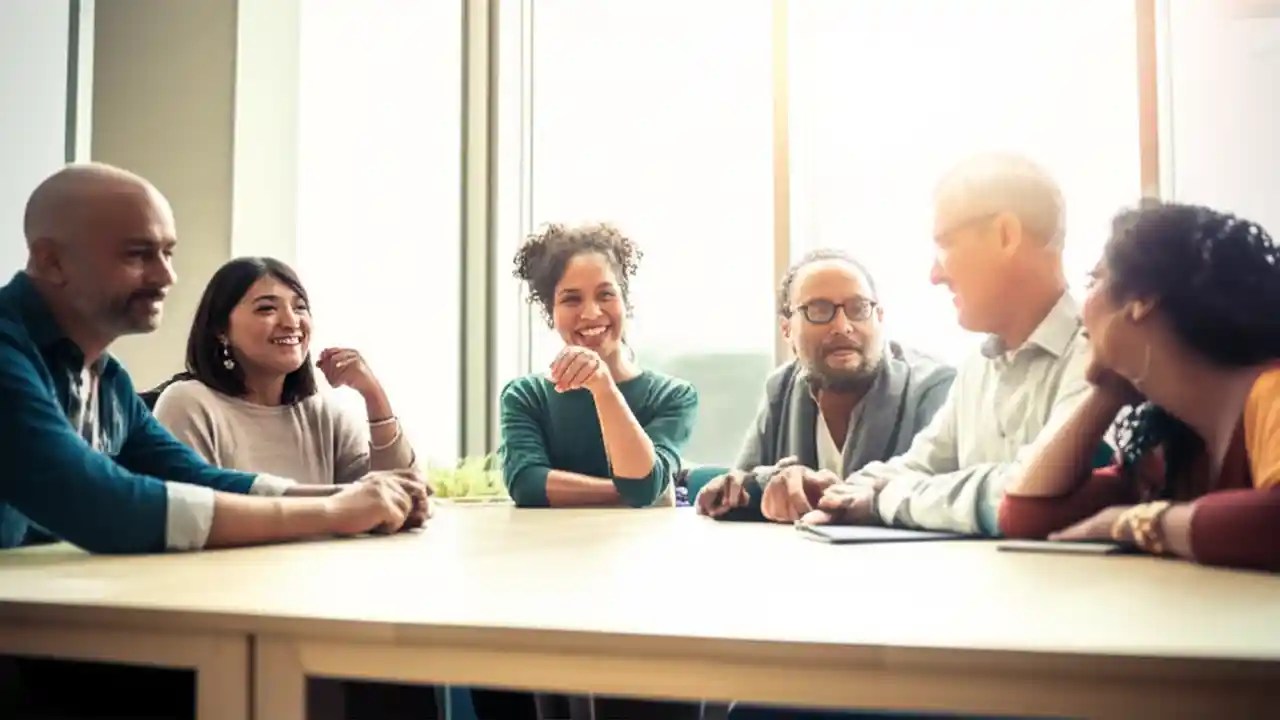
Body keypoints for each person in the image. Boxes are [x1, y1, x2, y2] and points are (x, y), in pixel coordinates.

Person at [0, 163, 428, 554]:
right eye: (137, 254)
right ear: (52, 261)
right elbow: (105, 506)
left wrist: (353, 497)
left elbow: (194, 479)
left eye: (167, 253)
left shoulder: (107, 379)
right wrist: (333, 511)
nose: (166, 276)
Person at [798, 152, 1098, 533]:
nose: (935, 274)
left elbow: (1024, 490)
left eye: (945, 245)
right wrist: (837, 493)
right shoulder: (977, 369)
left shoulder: (1100, 356)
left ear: (1005, 235)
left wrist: (885, 499)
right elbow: (918, 466)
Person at [999, 203, 1280, 571]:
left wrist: (1131, 523)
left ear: (1141, 299)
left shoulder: (1272, 391)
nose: (1082, 312)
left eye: (1093, 281)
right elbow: (1026, 516)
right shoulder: (1170, 439)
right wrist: (1109, 391)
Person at [695, 248, 955, 521]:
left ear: (879, 317)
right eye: (819, 310)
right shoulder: (781, 389)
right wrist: (751, 485)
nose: (842, 326)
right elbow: (744, 483)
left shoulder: (933, 389)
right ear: (786, 329)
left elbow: (946, 495)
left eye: (858, 309)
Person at [152, 256, 417, 485]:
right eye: (267, 308)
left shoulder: (324, 417)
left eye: (300, 307)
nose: (291, 322)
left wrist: (373, 394)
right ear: (221, 329)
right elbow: (190, 513)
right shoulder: (188, 405)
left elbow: (402, 497)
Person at [498, 222, 699, 509]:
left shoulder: (672, 396)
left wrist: (603, 387)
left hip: (642, 539)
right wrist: (630, 493)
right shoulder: (527, 396)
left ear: (625, 301)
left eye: (605, 295)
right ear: (551, 311)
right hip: (550, 539)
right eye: (571, 299)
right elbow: (527, 484)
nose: (591, 313)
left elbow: (642, 484)